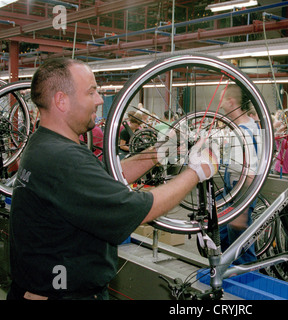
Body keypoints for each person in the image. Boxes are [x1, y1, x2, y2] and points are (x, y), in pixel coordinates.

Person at [7, 57, 217, 300]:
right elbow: (136, 209)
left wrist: (159, 152)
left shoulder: (43, 142)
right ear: (61, 100)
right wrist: (196, 172)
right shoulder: (63, 159)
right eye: (91, 92)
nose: (99, 100)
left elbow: (102, 179)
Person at [219, 84, 260, 264]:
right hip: (236, 189)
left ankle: (249, 281)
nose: (219, 106)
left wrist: (241, 210)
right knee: (224, 237)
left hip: (242, 191)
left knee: (241, 250)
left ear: (231, 102)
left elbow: (249, 173)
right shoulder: (250, 125)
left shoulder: (242, 133)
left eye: (222, 101)